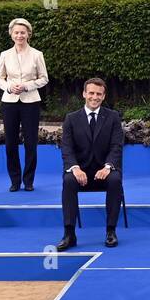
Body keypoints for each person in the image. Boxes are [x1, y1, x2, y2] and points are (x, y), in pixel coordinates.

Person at [57, 78, 125, 251]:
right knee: (68, 180)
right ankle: (69, 234)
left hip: (104, 170)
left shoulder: (113, 117)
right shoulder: (71, 119)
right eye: (91, 93)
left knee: (115, 179)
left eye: (98, 94)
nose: (95, 97)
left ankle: (111, 231)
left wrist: (108, 167)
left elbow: (116, 146)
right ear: (84, 94)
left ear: (104, 96)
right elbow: (67, 148)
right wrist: (75, 168)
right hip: (81, 171)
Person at [0, 17, 49, 192]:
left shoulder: (37, 54)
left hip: (31, 102)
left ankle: (28, 181)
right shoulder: (4, 55)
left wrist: (27, 86)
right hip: (9, 102)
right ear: (11, 34)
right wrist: (8, 87)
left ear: (28, 34)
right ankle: (15, 180)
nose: (19, 35)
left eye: (23, 32)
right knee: (10, 142)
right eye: (16, 32)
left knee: (30, 142)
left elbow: (44, 78)